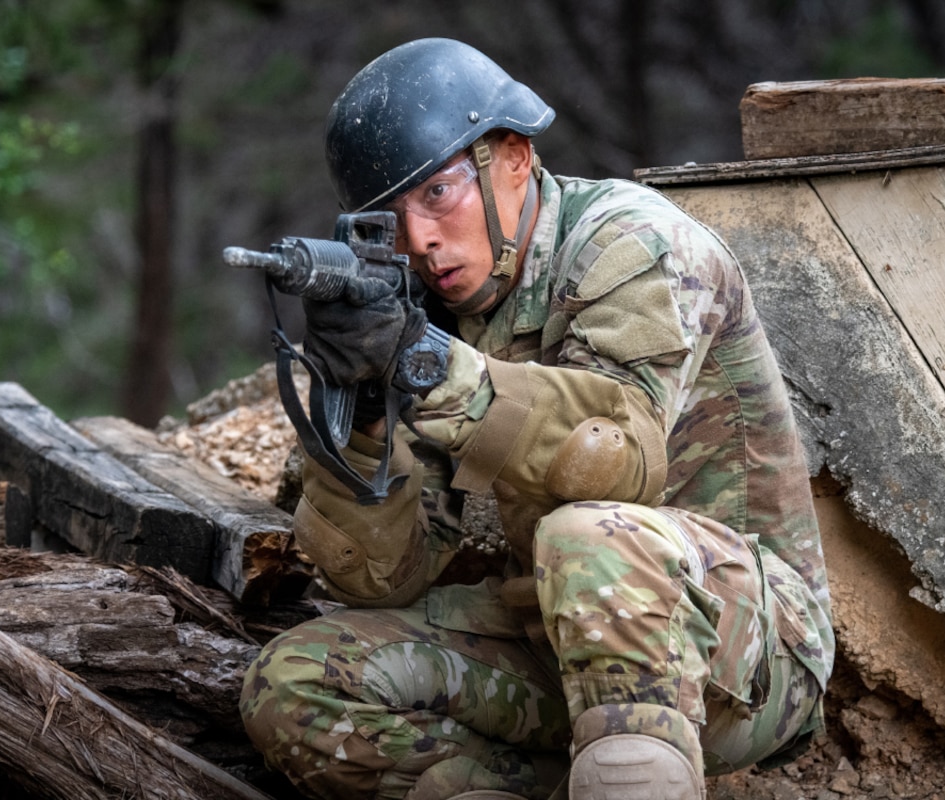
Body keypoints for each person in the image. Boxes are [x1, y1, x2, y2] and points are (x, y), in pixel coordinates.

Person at [240, 37, 834, 800]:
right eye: (391, 216)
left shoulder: (632, 244)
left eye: (437, 195)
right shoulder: (434, 309)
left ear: (514, 158)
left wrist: (425, 363)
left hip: (743, 653)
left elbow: (616, 456)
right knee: (292, 683)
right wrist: (358, 409)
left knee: (587, 535)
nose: (420, 239)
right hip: (558, 643)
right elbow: (385, 578)